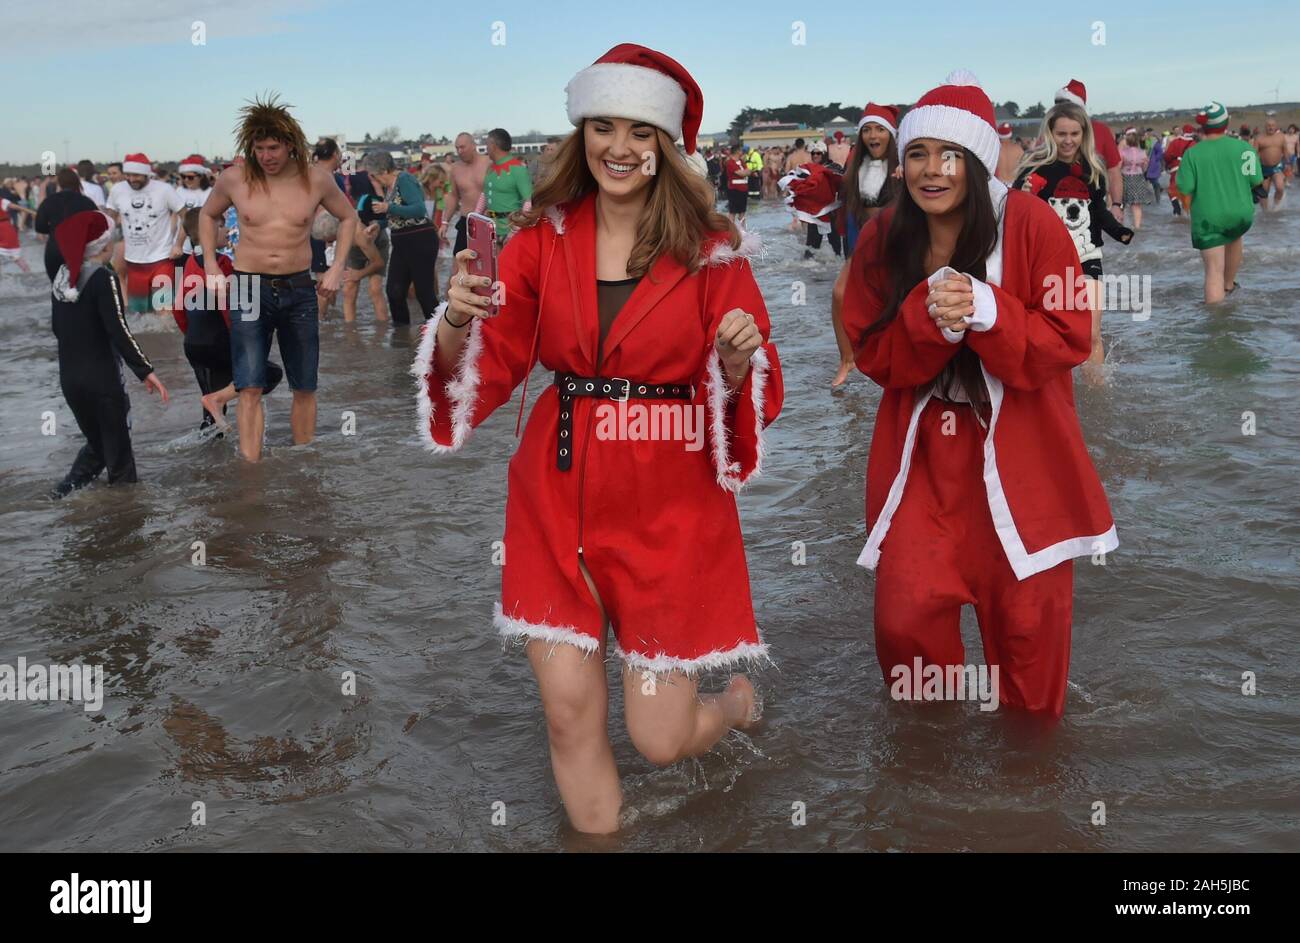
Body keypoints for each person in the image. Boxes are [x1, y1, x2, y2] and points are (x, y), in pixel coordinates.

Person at [413, 43, 782, 834]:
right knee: (569, 717)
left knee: (658, 736)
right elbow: (490, 366)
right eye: (602, 126)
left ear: (666, 146)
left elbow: (759, 381)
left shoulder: (714, 252)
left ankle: (735, 701)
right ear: (581, 134)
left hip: (668, 500)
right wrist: (452, 319)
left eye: (640, 131)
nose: (619, 146)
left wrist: (733, 360)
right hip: (556, 491)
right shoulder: (540, 243)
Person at [839, 71, 1116, 719]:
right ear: (899, 161)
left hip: (1025, 454)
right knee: (905, 625)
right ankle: (932, 771)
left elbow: (1072, 333)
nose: (932, 170)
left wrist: (991, 311)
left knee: (1028, 639)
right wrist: (926, 319)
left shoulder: (1033, 225)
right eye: (917, 154)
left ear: (976, 160)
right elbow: (874, 352)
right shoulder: (884, 237)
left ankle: (1030, 789)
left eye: (950, 155)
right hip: (924, 461)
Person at [198, 94, 357, 462]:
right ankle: (250, 472)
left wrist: (336, 268)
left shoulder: (315, 180)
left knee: (304, 384)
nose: (266, 156)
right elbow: (208, 216)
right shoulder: (234, 179)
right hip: (249, 287)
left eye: (273, 148)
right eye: (259, 148)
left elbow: (348, 218)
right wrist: (209, 262)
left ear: (289, 145)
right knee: (250, 385)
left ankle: (304, 467)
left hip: (299, 288)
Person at [49, 211, 169, 497]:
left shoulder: (62, 276)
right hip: (102, 381)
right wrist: (145, 370)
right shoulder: (104, 278)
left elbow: (57, 329)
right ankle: (126, 524)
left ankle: (61, 495)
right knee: (120, 462)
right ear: (105, 246)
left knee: (99, 445)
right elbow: (119, 330)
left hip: (70, 380)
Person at [1015, 101, 1134, 370]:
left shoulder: (1094, 170)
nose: (1068, 141)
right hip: (1046, 261)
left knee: (1091, 332)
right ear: (1050, 134)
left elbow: (1099, 212)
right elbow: (1016, 210)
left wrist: (1120, 232)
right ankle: (1057, 394)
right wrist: (1025, 193)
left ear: (1084, 134)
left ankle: (1097, 396)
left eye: (1074, 134)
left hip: (1087, 256)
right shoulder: (1034, 168)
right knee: (1051, 334)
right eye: (1061, 134)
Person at [173, 208, 285, 430]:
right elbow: (229, 307)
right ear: (210, 230)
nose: (227, 230)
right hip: (219, 342)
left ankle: (211, 459)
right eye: (223, 226)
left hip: (194, 346)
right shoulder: (221, 263)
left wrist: (190, 334)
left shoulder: (188, 263)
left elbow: (178, 308)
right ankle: (238, 426)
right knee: (269, 374)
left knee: (212, 416)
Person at [832, 103, 901, 385]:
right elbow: (846, 208)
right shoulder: (855, 167)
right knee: (839, 294)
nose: (873, 135)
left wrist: (908, 176)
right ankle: (848, 359)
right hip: (864, 241)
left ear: (891, 135)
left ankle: (897, 363)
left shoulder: (905, 164)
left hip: (897, 241)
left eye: (880, 129)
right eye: (868, 130)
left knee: (895, 304)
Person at [1176, 101, 1264, 303]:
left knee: (1213, 272)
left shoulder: (1193, 154)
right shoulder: (1244, 148)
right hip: (1241, 215)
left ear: (1203, 126)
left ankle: (1216, 324)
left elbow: (1185, 187)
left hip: (1210, 219)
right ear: (1227, 122)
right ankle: (1229, 286)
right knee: (1234, 236)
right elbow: (1256, 180)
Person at [104, 153, 186, 313]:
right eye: (128, 175)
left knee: (164, 311)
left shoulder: (164, 189)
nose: (131, 179)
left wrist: (178, 244)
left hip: (162, 259)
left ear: (146, 173)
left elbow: (186, 216)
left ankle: (168, 338)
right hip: (134, 262)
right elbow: (109, 221)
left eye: (136, 175)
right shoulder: (117, 190)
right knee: (139, 314)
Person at [362, 152, 437, 323]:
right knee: (394, 292)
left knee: (424, 293)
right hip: (401, 242)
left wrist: (388, 207)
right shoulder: (390, 186)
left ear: (383, 171)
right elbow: (396, 216)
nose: (373, 180)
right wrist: (378, 225)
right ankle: (401, 338)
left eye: (373, 175)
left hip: (420, 240)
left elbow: (419, 209)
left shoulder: (404, 180)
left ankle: (439, 335)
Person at [1054, 79, 1123, 222]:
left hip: (1090, 207)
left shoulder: (1101, 131)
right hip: (1055, 207)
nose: (1061, 108)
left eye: (1065, 104)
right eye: (1058, 104)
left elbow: (1114, 171)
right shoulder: (1050, 131)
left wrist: (1116, 204)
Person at [35, 167, 98, 278]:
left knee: (56, 288)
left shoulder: (49, 201)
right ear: (77, 182)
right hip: (79, 250)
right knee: (80, 287)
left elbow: (39, 226)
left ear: (59, 183)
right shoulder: (86, 202)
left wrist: (54, 230)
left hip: (54, 250)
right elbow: (98, 227)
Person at [476, 128, 533, 243]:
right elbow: (485, 194)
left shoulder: (518, 169)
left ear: (493, 145)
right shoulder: (490, 168)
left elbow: (529, 201)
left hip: (510, 230)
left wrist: (515, 230)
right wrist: (475, 217)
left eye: (487, 144)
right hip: (491, 229)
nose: (486, 149)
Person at [441, 132, 490, 260]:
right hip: (466, 221)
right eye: (457, 148)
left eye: (463, 147)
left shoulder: (489, 163)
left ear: (473, 145)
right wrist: (445, 222)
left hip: (488, 220)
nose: (459, 151)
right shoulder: (455, 168)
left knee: (489, 265)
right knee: (458, 266)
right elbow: (453, 196)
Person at [1119, 128, 1153, 229]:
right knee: (1136, 204)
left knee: (1122, 203)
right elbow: (1144, 168)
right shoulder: (1142, 152)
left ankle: (1121, 225)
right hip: (1138, 178)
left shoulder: (1123, 152)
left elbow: (1119, 166)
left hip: (1125, 177)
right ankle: (1137, 226)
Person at [1252, 117, 1287, 211]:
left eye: (1272, 125)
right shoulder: (1259, 138)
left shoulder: (1281, 137)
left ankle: (1276, 208)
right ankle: (1266, 213)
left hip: (1277, 167)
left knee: (1280, 188)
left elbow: (1285, 151)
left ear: (1276, 126)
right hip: (1263, 168)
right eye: (1268, 125)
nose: (1270, 127)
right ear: (1265, 127)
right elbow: (1253, 154)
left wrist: (1288, 165)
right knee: (1264, 193)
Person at [1163, 124, 1198, 216]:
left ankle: (1176, 208)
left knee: (1172, 190)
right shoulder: (1195, 144)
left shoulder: (1175, 142)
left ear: (1183, 131)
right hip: (1189, 171)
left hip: (1176, 168)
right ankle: (1186, 213)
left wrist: (1168, 164)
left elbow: (1167, 156)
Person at [0, 195, 35, 275]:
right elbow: (17, 207)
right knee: (15, 255)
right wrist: (31, 211)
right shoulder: (2, 201)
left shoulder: (2, 201)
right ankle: (29, 273)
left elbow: (17, 207)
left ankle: (28, 273)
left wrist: (31, 212)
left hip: (4, 230)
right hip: (5, 229)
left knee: (14, 255)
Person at [724, 143, 749, 225]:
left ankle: (743, 230)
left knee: (742, 211)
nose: (742, 151)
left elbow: (747, 171)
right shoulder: (730, 162)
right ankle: (731, 230)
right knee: (733, 211)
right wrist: (745, 172)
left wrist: (745, 172)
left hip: (743, 189)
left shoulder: (741, 161)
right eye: (741, 150)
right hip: (734, 189)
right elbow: (742, 173)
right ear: (737, 151)